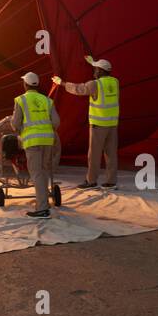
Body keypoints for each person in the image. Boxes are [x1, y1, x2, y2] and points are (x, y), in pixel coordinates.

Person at [54, 56, 120, 189]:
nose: (94, 71)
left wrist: (62, 83)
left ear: (101, 71)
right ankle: (111, 182)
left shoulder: (95, 84)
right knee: (111, 154)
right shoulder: (114, 82)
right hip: (112, 125)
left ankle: (91, 181)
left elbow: (78, 89)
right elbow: (103, 73)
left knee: (94, 155)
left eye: (96, 69)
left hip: (98, 125)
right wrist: (92, 62)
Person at [9, 71, 60, 218]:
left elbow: (15, 123)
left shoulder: (21, 100)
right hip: (48, 140)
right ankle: (43, 203)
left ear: (25, 84)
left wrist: (21, 131)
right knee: (43, 172)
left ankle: (42, 208)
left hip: (32, 141)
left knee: (36, 174)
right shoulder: (47, 101)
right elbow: (56, 122)